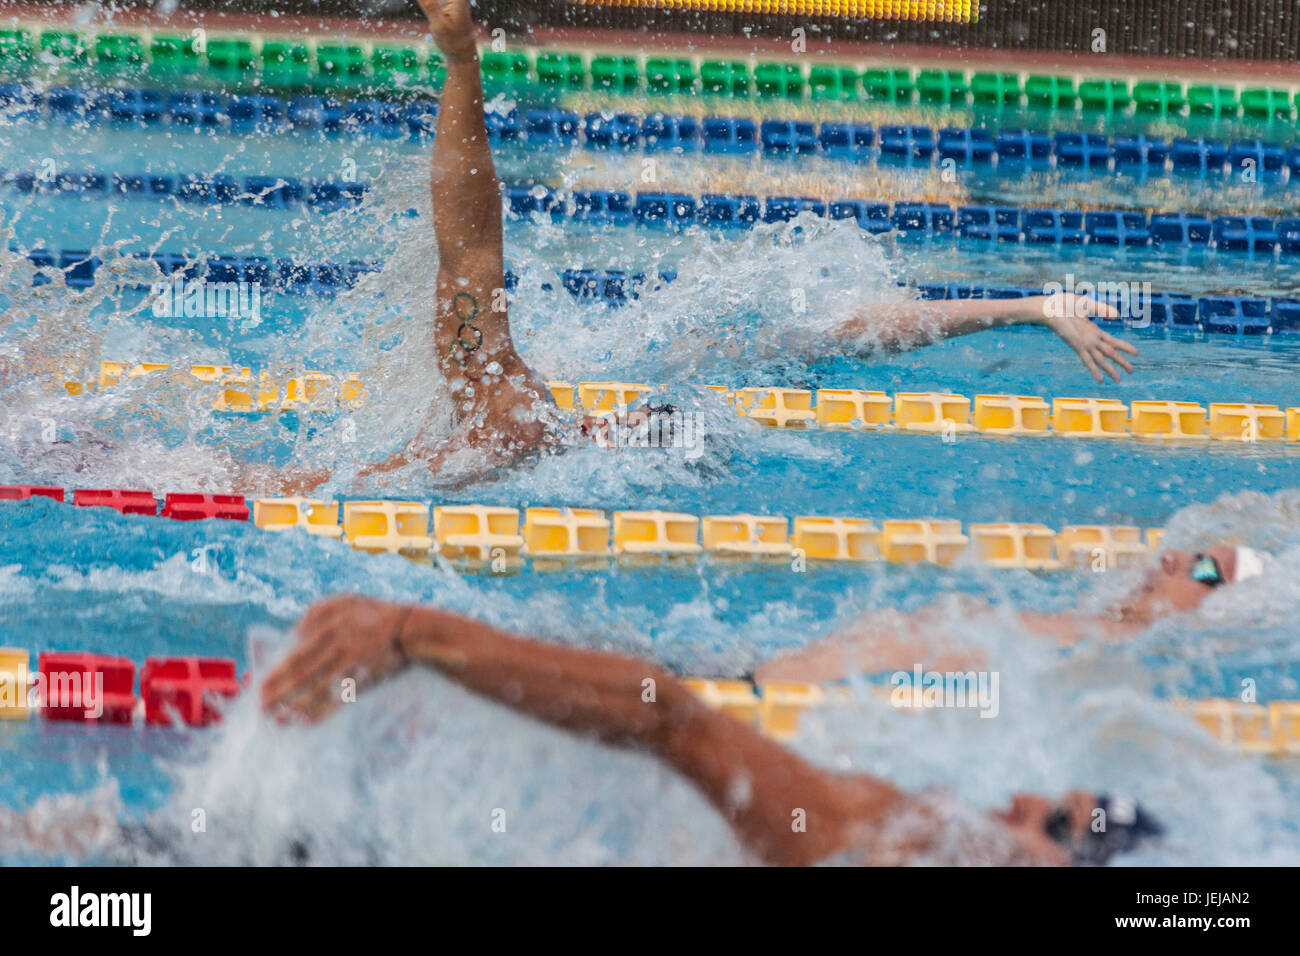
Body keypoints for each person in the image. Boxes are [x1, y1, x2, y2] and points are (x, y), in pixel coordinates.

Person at [243, 0, 1132, 494]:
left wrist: (1034, 306)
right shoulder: (514, 423)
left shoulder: (523, 427)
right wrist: (463, 66)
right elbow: (469, 253)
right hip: (268, 486)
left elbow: (852, 329)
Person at [254, 593, 1162, 866]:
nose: (1022, 799)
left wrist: (418, 635)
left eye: (1052, 825)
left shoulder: (885, 853)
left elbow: (669, 721)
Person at [756, 545, 1271, 683]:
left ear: (1223, 611)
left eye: (1203, 570)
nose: (1173, 557)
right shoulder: (1092, 626)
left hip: (776, 695)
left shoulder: (1121, 650)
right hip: (773, 674)